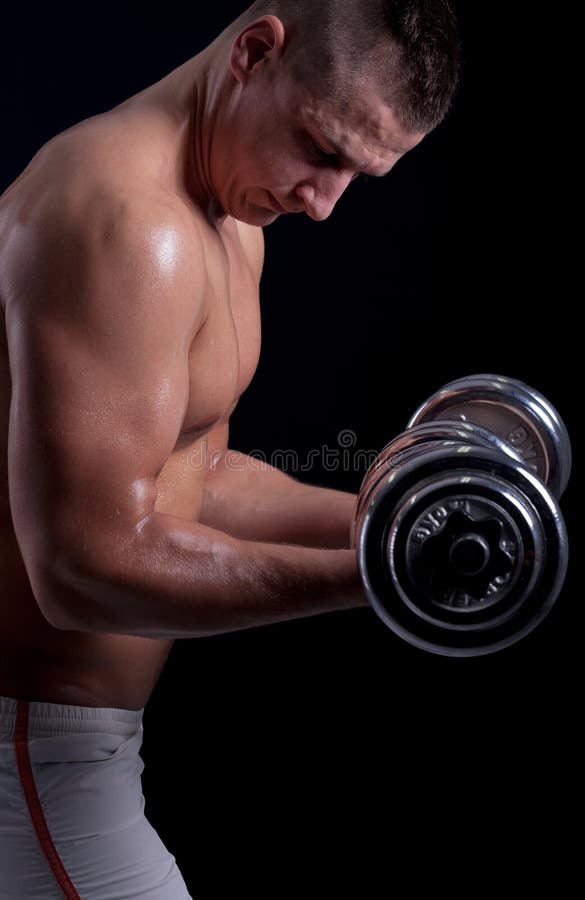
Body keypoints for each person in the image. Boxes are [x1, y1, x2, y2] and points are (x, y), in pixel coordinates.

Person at [0, 1, 461, 896]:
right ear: (254, 52)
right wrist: (373, 578)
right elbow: (80, 569)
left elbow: (197, 478)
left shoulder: (229, 215)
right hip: (29, 754)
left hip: (68, 750)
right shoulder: (126, 224)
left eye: (357, 178)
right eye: (322, 152)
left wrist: (395, 521)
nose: (324, 205)